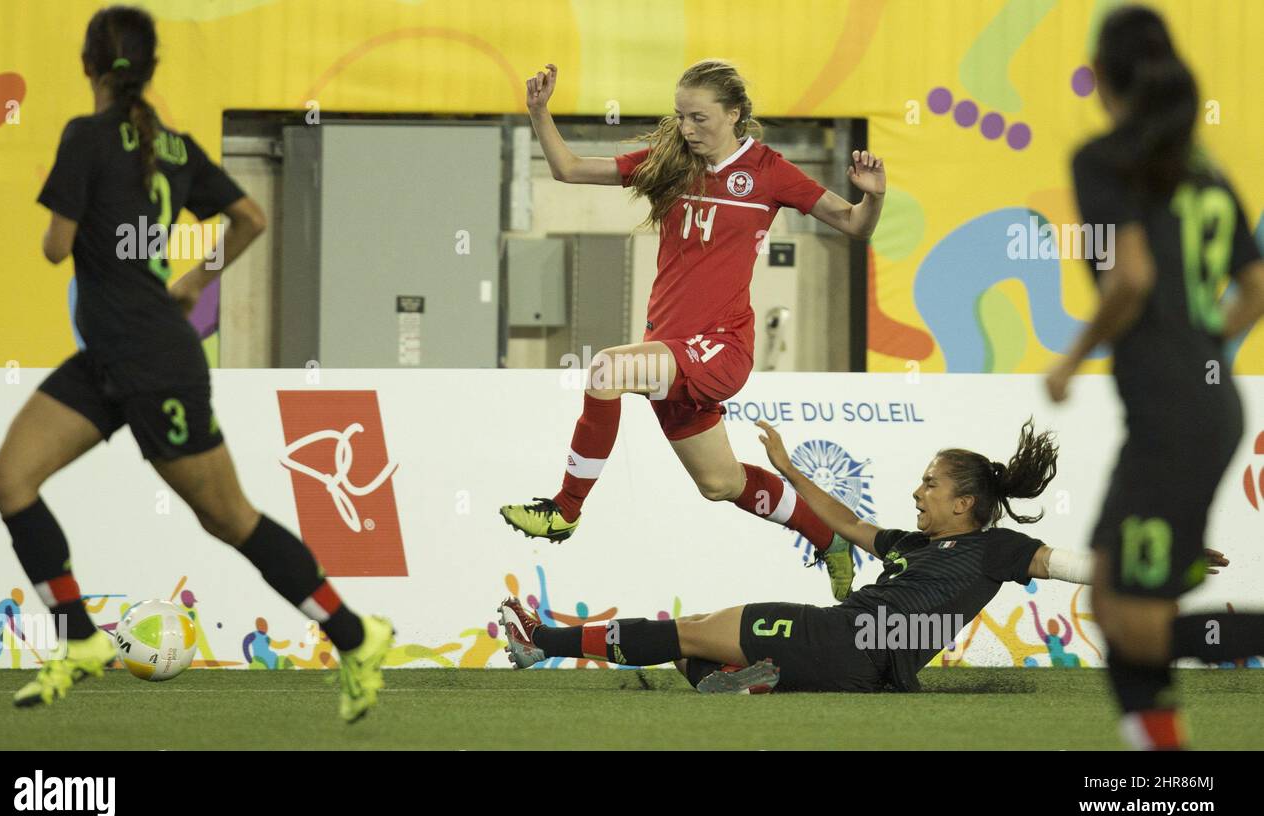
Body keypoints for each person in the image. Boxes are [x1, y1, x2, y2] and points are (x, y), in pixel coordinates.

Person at [0, 5, 393, 722]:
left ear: (88, 65)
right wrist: (195, 281)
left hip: (153, 366)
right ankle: (80, 640)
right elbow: (250, 219)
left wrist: (68, 196)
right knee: (9, 480)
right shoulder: (169, 146)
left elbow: (55, 247)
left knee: (228, 520)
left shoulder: (86, 138)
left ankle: (357, 636)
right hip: (110, 359)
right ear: (146, 69)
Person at [500, 60, 885, 599]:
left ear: (734, 114)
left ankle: (565, 509)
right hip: (670, 350)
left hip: (721, 347)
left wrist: (875, 195)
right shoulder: (670, 165)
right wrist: (539, 113)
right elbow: (567, 169)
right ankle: (830, 540)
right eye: (680, 117)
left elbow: (854, 224)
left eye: (699, 118)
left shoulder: (770, 171)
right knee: (719, 484)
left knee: (608, 369)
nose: (687, 128)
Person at [502, 419, 1233, 694]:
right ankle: (745, 684)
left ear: (965, 505)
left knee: (690, 630)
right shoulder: (916, 546)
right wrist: (789, 471)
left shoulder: (999, 548)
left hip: (844, 639)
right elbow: (847, 521)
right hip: (863, 659)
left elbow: (1083, 566)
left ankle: (544, 644)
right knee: (692, 658)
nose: (918, 491)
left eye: (930, 483)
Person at [1047, 5, 1264, 748]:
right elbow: (1257, 286)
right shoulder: (1206, 171)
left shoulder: (1106, 159)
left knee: (1133, 615)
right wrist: (1203, 345)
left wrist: (1071, 361)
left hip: (1172, 415)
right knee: (1115, 600)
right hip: (1205, 403)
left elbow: (1130, 277)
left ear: (1102, 77)